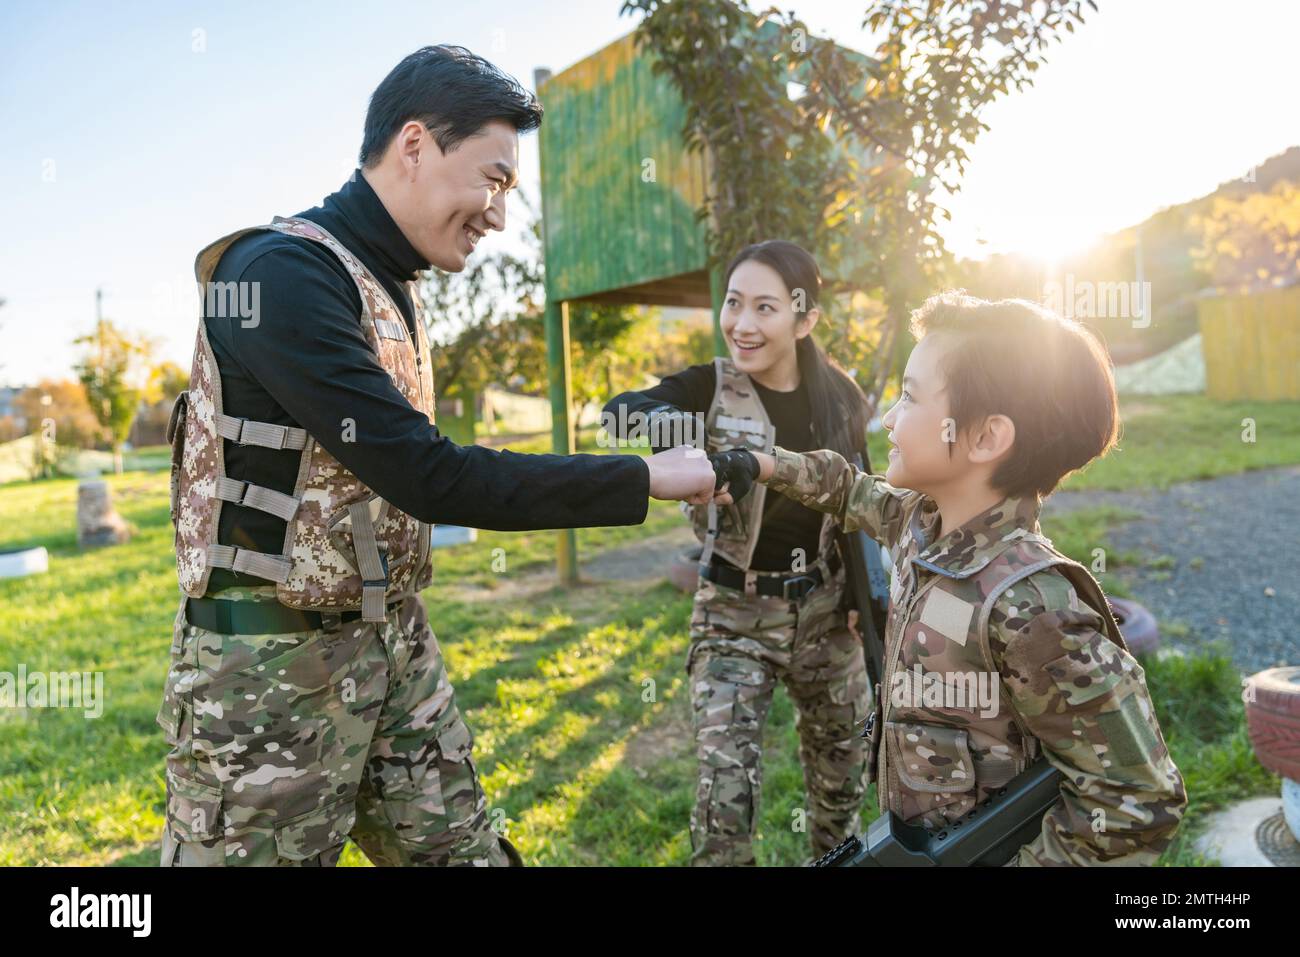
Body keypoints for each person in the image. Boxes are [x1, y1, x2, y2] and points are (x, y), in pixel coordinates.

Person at [158, 45, 716, 867]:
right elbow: (427, 472)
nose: (498, 213)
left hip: (391, 641)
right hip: (267, 674)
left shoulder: (394, 285)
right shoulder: (278, 274)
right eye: (492, 179)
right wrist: (643, 476)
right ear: (413, 144)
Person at [712, 291, 1187, 865]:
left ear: (986, 438)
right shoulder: (921, 525)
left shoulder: (1033, 607)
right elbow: (847, 488)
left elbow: (1139, 799)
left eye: (909, 397)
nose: (887, 416)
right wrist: (756, 464)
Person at [603, 240, 876, 865]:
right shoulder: (710, 385)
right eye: (733, 303)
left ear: (804, 320)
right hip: (733, 615)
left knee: (840, 792)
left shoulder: (841, 396)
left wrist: (867, 601)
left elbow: (857, 500)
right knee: (723, 797)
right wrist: (689, 441)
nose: (742, 324)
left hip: (827, 616)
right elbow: (619, 415)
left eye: (765, 307)